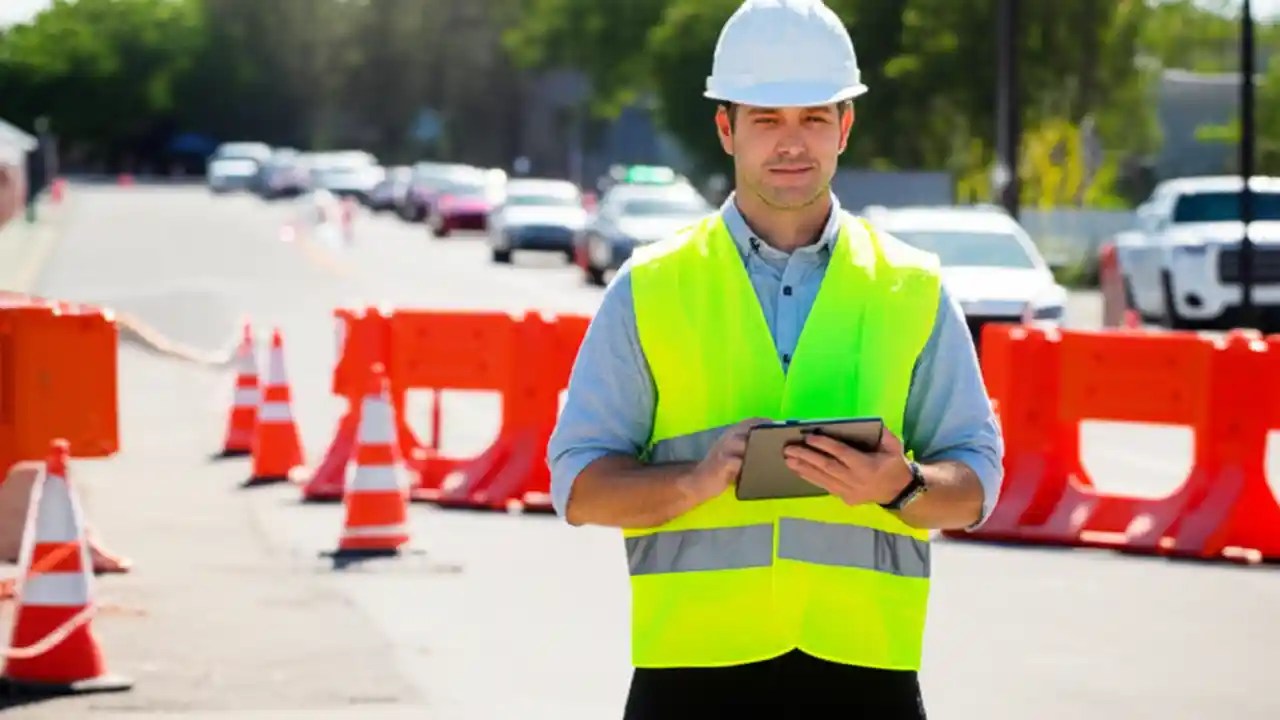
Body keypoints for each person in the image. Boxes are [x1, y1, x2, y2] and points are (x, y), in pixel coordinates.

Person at [546, 0, 1003, 717]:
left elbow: (976, 483)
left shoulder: (912, 288)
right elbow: (578, 486)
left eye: (814, 118)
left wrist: (901, 484)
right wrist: (694, 482)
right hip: (690, 677)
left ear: (845, 127)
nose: (792, 143)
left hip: (866, 678)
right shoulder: (651, 287)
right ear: (726, 128)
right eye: (767, 119)